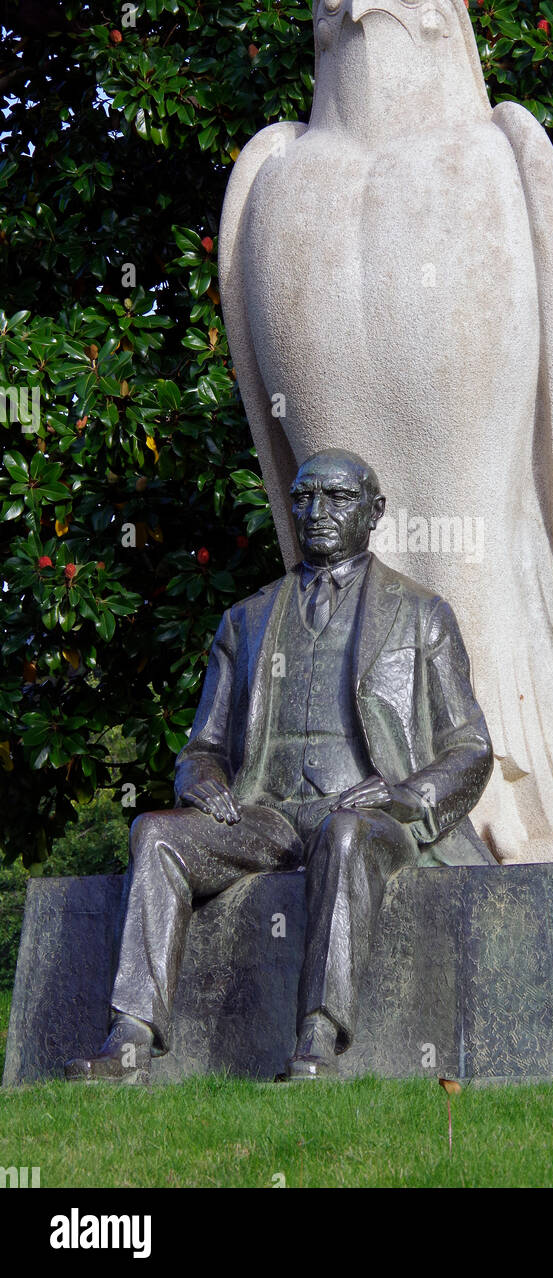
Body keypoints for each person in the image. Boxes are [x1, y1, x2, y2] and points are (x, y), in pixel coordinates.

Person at [65, 449, 493, 1082]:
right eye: (303, 498)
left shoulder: (421, 613)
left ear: (374, 512)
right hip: (263, 814)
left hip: (367, 814)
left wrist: (405, 797)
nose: (316, 512)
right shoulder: (245, 619)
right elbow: (202, 747)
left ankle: (317, 1038)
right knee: (154, 834)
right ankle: (130, 1040)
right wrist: (202, 780)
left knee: (343, 835)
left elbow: (470, 748)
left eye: (337, 498)